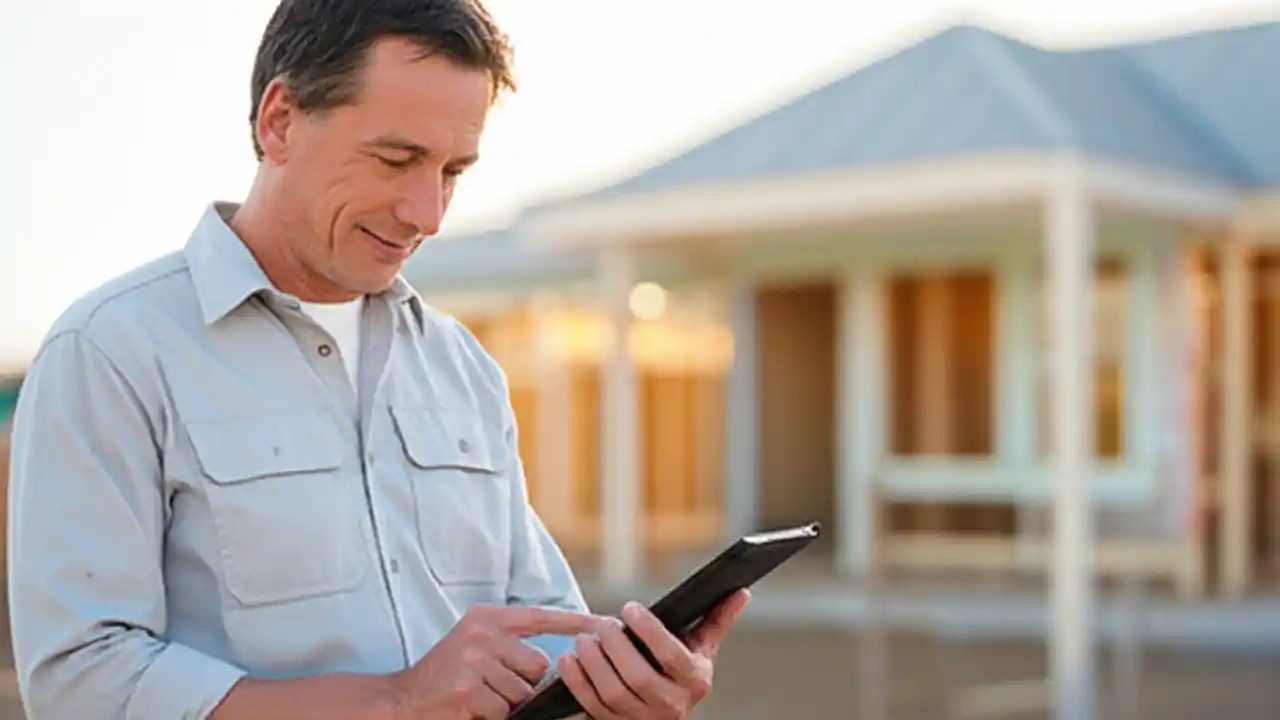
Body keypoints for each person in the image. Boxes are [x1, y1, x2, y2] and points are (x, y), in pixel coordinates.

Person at [5, 1, 749, 718]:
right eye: (397, 159)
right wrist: (395, 703)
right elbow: (79, 682)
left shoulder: (462, 367)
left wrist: (616, 687)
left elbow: (538, 627)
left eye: (453, 172)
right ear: (280, 121)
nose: (426, 213)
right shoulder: (110, 351)